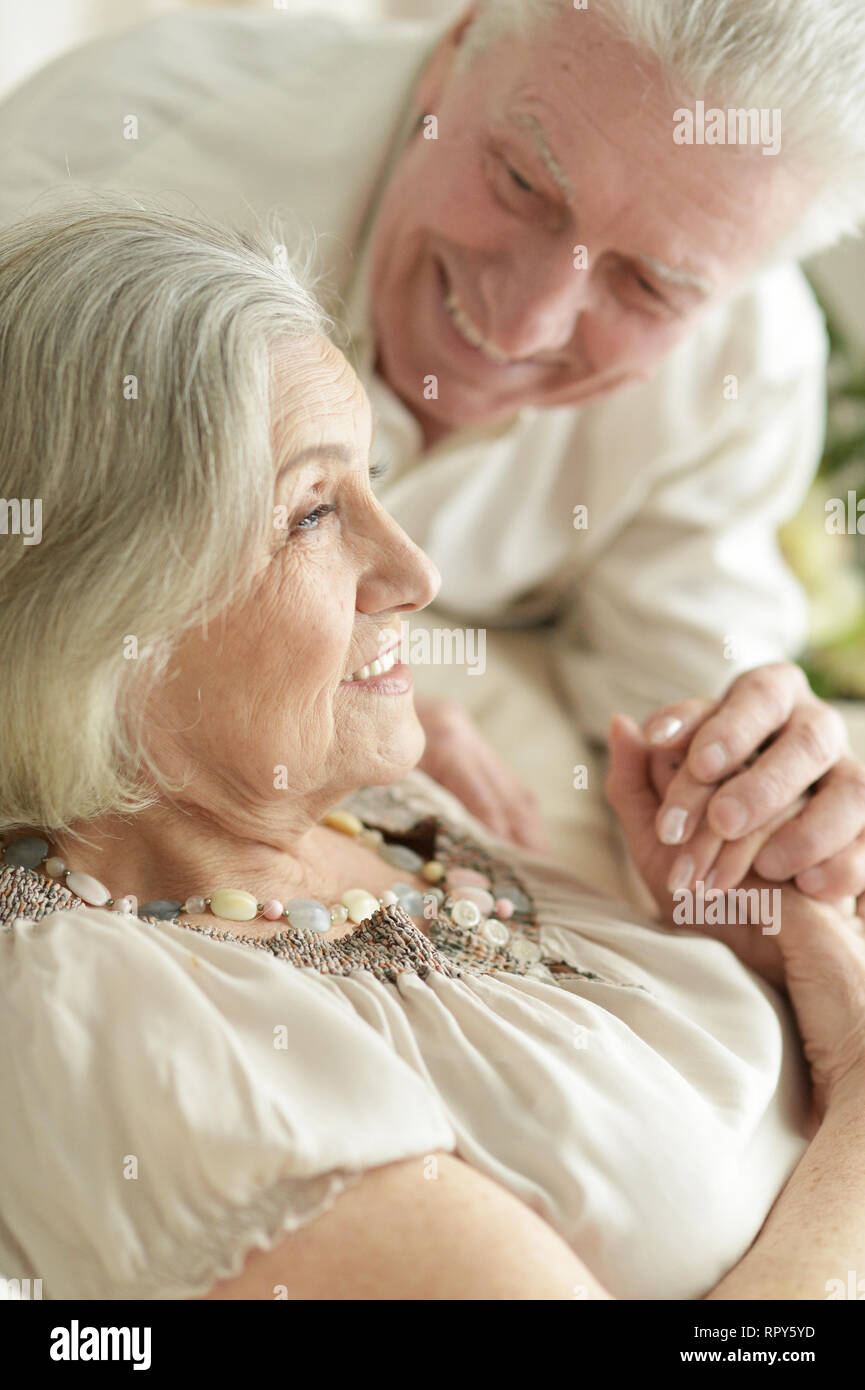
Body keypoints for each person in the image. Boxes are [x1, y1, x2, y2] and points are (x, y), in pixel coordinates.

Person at [1, 196, 864, 1301]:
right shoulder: (106, 1020)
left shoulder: (373, 807)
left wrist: (733, 917)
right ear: (106, 613)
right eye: (313, 513)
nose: (413, 570)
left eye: (376, 488)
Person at [2, 1, 865, 895]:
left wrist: (751, 782)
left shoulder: (746, 363)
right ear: (450, 57)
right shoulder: (105, 170)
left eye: (646, 286)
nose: (521, 321)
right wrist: (306, 699)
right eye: (522, 183)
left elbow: (684, 706)